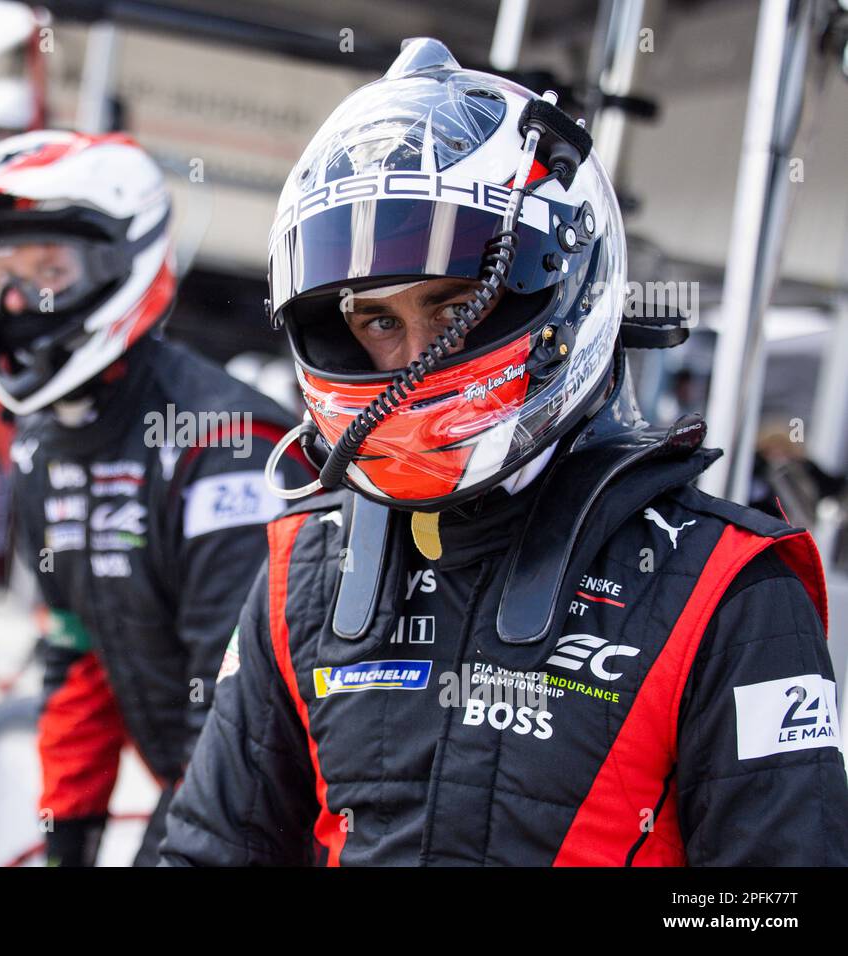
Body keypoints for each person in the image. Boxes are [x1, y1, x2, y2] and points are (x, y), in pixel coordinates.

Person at [160, 38, 848, 866]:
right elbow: (210, 852)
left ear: (560, 293)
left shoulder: (727, 590)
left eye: (456, 307)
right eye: (378, 321)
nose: (414, 357)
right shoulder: (306, 567)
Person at [0, 130, 314, 866]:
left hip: (280, 816)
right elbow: (81, 657)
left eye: (47, 271)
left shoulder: (224, 444)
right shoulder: (45, 445)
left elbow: (241, 715)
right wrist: (70, 833)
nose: (16, 302)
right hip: (203, 790)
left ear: (121, 258)